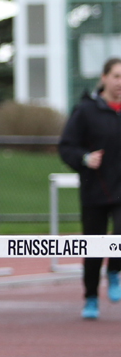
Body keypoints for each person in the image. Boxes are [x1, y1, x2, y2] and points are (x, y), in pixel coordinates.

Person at [59, 56, 121, 319]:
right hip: (95, 189)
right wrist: (84, 158)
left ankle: (115, 270)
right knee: (92, 246)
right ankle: (91, 297)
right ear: (104, 78)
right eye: (117, 76)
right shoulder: (85, 110)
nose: (120, 82)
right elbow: (66, 146)